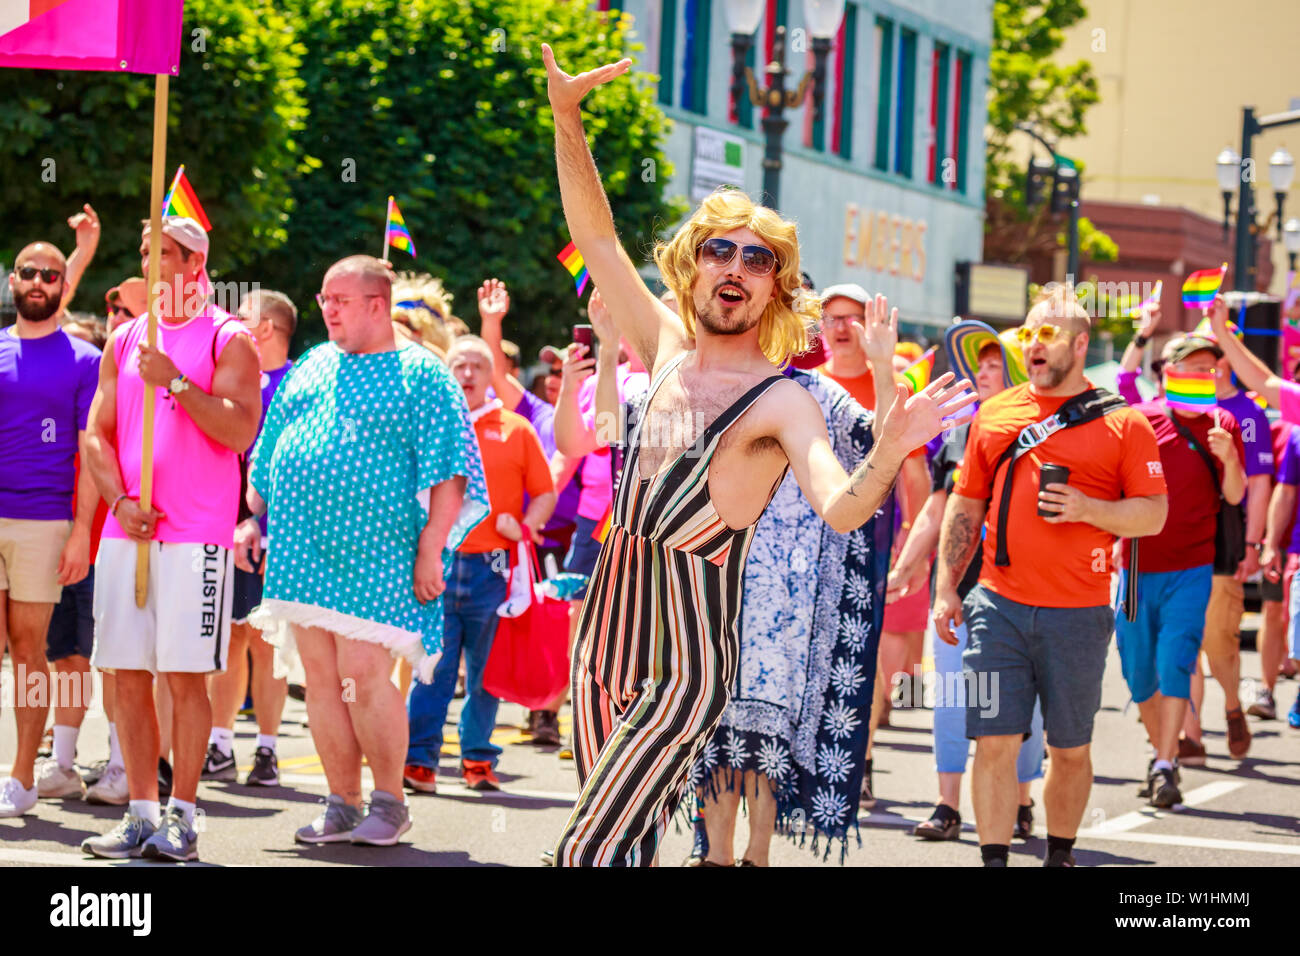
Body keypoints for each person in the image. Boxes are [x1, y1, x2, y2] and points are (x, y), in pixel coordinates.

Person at [542, 45, 972, 866]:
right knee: (621, 853)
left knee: (583, 853)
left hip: (686, 669)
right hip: (603, 643)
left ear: (776, 286)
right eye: (718, 250)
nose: (734, 266)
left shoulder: (783, 399)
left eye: (757, 257)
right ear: (691, 266)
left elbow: (844, 507)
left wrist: (889, 442)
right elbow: (594, 234)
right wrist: (567, 118)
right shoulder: (662, 346)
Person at [243, 255, 489, 847]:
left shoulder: (423, 375)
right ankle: (341, 803)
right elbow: (271, 447)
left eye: (339, 299)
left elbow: (454, 474)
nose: (326, 308)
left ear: (377, 305)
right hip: (302, 552)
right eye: (323, 298)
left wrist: (432, 548)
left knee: (363, 676)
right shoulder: (312, 364)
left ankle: (389, 802)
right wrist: (251, 513)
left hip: (378, 556)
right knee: (323, 683)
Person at [933, 285, 1168, 867]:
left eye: (1049, 334)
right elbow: (966, 505)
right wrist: (945, 588)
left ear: (1081, 343)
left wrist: (1091, 509)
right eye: (1030, 334)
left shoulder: (1124, 424)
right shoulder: (996, 413)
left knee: (1069, 748)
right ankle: (993, 860)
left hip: (1080, 612)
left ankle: (1059, 855)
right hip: (998, 605)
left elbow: (1153, 513)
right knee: (994, 741)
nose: (1034, 346)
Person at [80, 216, 261, 861]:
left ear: (194, 264)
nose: (151, 266)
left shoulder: (228, 336)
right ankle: (140, 811)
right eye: (144, 254)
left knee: (186, 676)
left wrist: (177, 384)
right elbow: (95, 433)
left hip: (196, 536)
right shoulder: (125, 336)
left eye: (163, 255)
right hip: (130, 530)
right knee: (125, 673)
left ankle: (183, 814)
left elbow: (240, 433)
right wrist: (119, 501)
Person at [690, 326, 893, 866]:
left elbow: (885, 440)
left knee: (768, 728)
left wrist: (883, 366)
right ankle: (714, 855)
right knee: (714, 720)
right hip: (714, 581)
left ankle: (756, 855)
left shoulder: (818, 395)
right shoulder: (713, 385)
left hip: (791, 600)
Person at [888, 320, 1044, 841]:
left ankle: (1021, 802)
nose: (983, 372)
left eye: (995, 363)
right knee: (952, 695)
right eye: (978, 364)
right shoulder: (960, 432)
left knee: (1017, 700)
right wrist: (906, 568)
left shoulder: (1045, 428)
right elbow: (937, 509)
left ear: (1018, 369)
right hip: (956, 586)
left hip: (1024, 590)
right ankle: (947, 805)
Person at [403, 335, 555, 794]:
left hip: (493, 568)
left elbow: (545, 493)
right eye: (458, 365)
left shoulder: (516, 429)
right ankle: (419, 761)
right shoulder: (427, 425)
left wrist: (524, 526)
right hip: (437, 562)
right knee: (433, 666)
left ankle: (477, 761)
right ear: (447, 373)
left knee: (487, 671)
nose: (467, 374)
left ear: (492, 376)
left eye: (476, 366)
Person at [1118, 334, 1245, 807]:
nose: (1203, 373)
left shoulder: (1223, 422)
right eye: (1192, 365)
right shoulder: (1142, 420)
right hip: (1136, 566)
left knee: (1176, 661)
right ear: (1169, 371)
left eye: (1210, 367)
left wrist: (1228, 456)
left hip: (1193, 568)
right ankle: (1160, 753)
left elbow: (1234, 495)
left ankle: (1166, 764)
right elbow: (1116, 487)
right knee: (1137, 670)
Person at [0, 243, 102, 817]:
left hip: (45, 521)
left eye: (51, 275)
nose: (39, 281)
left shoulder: (86, 359)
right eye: (30, 272)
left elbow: (89, 455)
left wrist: (81, 530)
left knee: (30, 652)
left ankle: (21, 779)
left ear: (64, 286)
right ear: (13, 280)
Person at [814, 282, 923, 806]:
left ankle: (862, 760)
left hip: (869, 538)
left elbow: (910, 467)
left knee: (861, 651)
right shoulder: (807, 384)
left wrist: (910, 537)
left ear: (873, 325)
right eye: (831, 317)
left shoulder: (894, 385)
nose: (840, 328)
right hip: (810, 538)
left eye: (852, 318)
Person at [204, 290, 298, 786]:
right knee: (229, 637)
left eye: (241, 318)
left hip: (279, 530)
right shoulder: (234, 377)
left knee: (267, 642)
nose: (230, 326)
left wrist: (264, 523)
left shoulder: (301, 382)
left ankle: (267, 750)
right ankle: (219, 746)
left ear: (264, 329)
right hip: (225, 523)